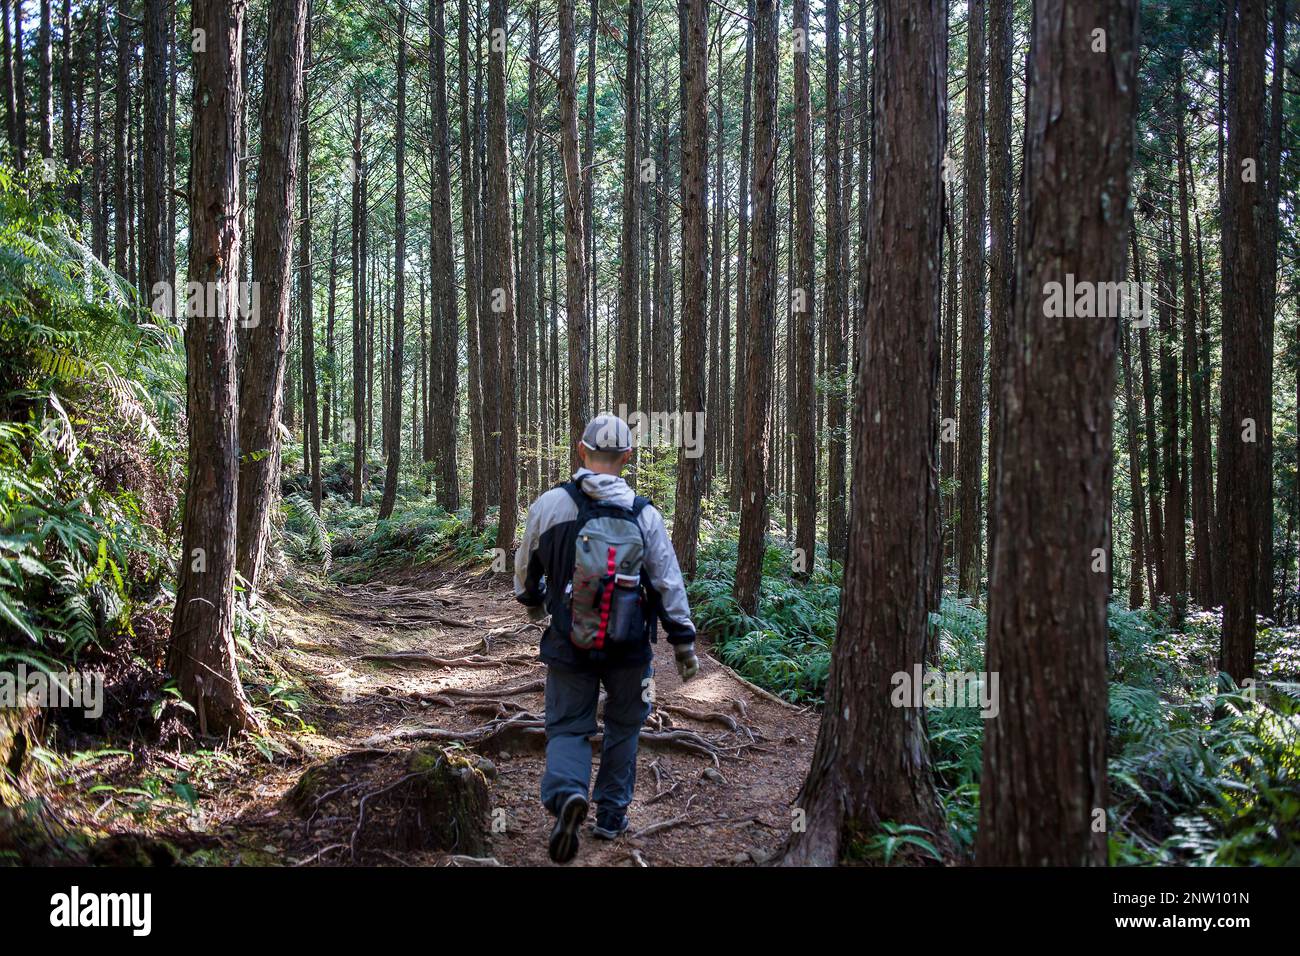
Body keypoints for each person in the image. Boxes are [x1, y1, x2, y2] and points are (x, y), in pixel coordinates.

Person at [515, 413, 699, 863]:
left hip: (568, 642)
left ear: (582, 451)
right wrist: (683, 643)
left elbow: (524, 568)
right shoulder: (645, 514)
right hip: (630, 649)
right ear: (627, 458)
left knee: (567, 726)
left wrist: (533, 600)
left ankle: (568, 795)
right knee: (624, 727)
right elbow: (668, 583)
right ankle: (612, 815)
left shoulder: (551, 505)